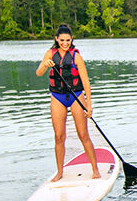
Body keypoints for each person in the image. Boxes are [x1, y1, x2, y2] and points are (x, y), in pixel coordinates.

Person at [36, 24, 101, 182]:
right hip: (57, 97)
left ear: (72, 40)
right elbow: (39, 73)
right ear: (56, 39)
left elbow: (86, 82)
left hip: (76, 96)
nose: (65, 43)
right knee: (59, 137)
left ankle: (95, 169)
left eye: (68, 40)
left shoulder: (76, 56)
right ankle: (59, 172)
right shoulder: (49, 54)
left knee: (83, 134)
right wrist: (45, 64)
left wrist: (89, 105)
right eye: (62, 40)